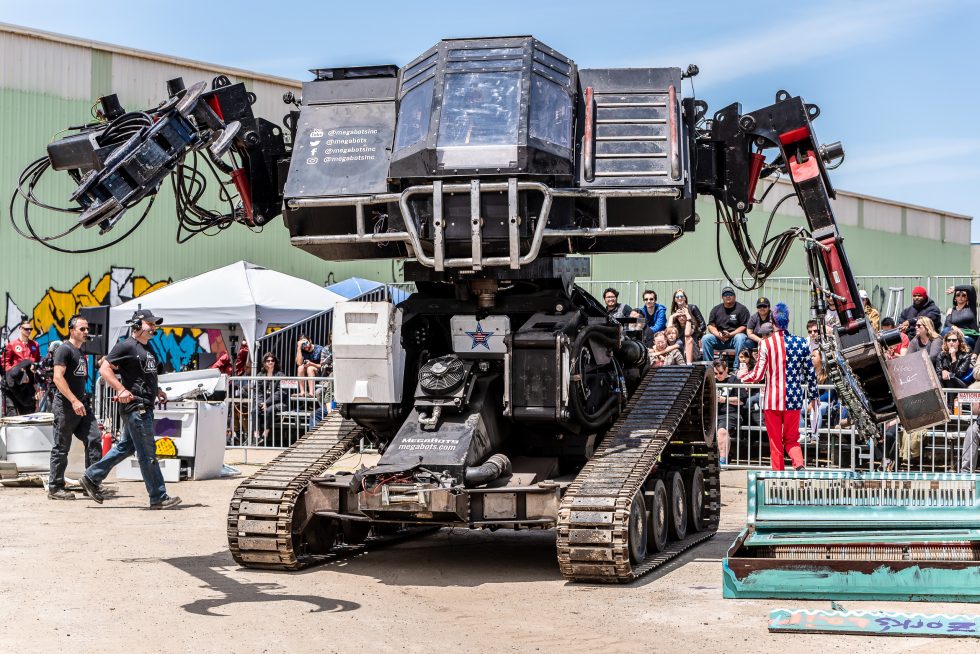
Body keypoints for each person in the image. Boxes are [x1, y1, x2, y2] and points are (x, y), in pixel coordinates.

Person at [79, 310, 181, 509]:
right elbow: (104, 368)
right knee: (147, 453)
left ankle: (91, 477)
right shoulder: (126, 345)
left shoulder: (147, 347)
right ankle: (158, 497)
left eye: (154, 324)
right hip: (136, 407)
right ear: (136, 325)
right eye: (149, 324)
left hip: (143, 406)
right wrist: (121, 389)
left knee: (125, 447)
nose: (153, 327)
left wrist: (157, 389)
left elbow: (145, 375)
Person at [737, 303, 818, 471]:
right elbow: (811, 373)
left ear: (772, 321)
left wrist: (742, 376)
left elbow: (758, 375)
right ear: (788, 321)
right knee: (792, 439)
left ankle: (778, 475)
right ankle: (799, 464)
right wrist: (813, 395)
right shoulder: (801, 343)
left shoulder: (765, 344)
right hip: (793, 399)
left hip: (772, 400)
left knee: (775, 441)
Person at [46, 315, 102, 501]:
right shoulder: (64, 350)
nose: (86, 332)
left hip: (81, 406)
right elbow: (57, 378)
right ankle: (55, 488)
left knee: (94, 438)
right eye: (82, 329)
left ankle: (91, 483)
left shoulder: (80, 352)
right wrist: (73, 401)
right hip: (65, 406)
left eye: (87, 329)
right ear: (72, 330)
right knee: (61, 447)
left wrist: (81, 401)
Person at [701, 286, 750, 364]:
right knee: (706, 338)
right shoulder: (716, 309)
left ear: (735, 297)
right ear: (722, 297)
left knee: (740, 337)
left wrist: (730, 334)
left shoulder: (742, 309)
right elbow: (710, 326)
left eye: (730, 294)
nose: (728, 296)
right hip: (719, 339)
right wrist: (718, 335)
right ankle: (709, 367)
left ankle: (736, 368)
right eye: (725, 294)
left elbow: (744, 326)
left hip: (734, 339)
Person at [252, 352, 286, 446]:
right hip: (263, 403)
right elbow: (257, 391)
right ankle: (256, 436)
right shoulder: (260, 375)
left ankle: (265, 435)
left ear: (275, 362)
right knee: (254, 411)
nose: (270, 362)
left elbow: (281, 393)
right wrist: (261, 403)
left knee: (269, 410)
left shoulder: (280, 375)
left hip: (278, 403)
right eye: (268, 361)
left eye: (272, 360)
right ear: (264, 363)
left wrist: (267, 403)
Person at [935, 326, 971, 393]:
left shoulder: (966, 356)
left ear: (959, 342)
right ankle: (942, 400)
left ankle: (950, 403)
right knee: (941, 377)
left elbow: (958, 374)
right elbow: (938, 372)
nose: (951, 342)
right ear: (946, 342)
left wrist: (953, 357)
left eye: (954, 340)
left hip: (960, 384)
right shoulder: (941, 355)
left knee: (950, 376)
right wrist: (943, 371)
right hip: (945, 383)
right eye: (949, 340)